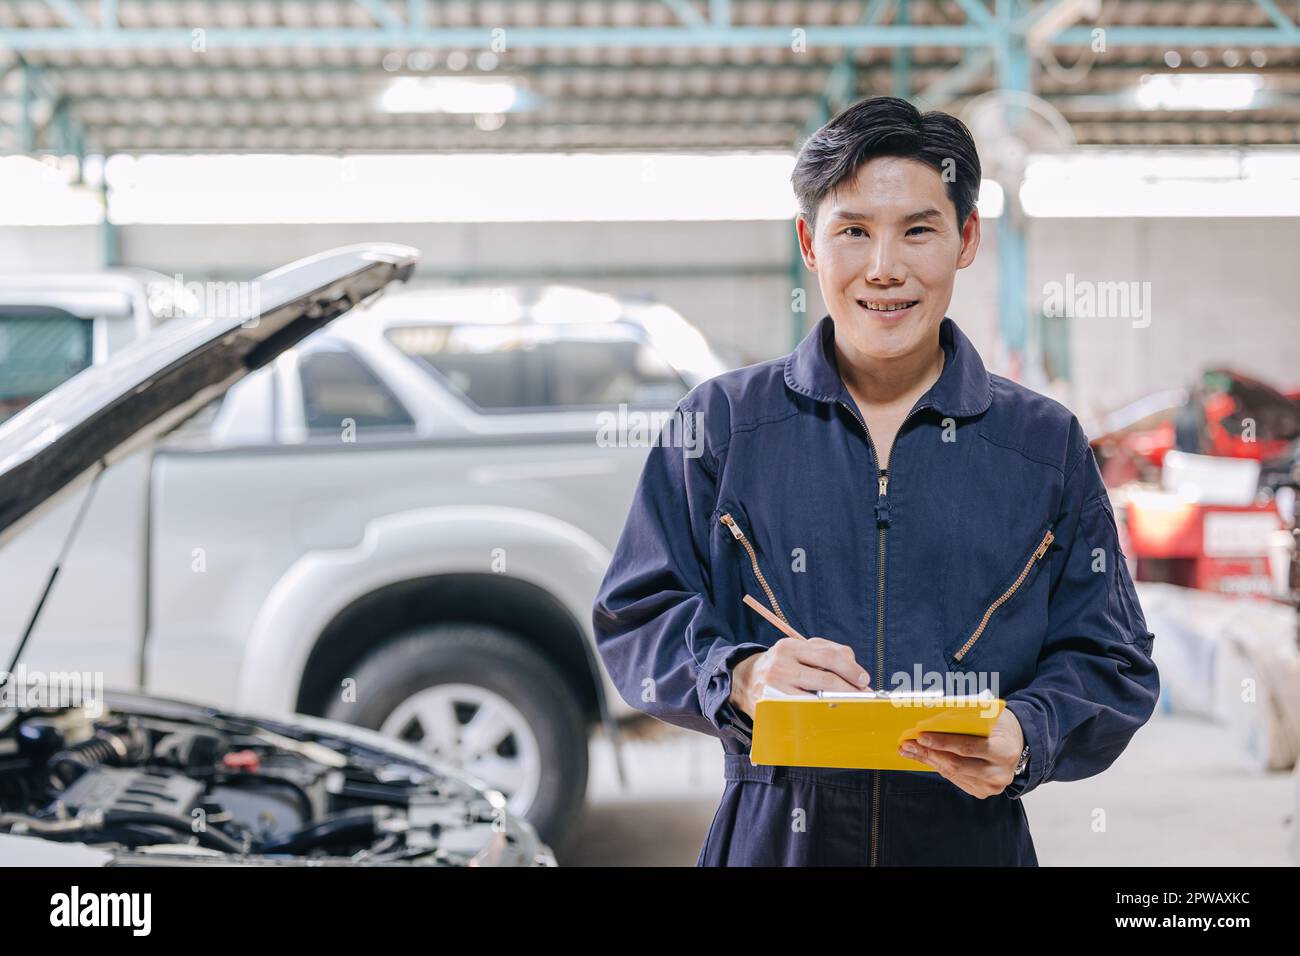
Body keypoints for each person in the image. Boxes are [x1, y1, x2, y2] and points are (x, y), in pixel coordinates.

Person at [591, 96, 1160, 866]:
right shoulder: (722, 427)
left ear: (965, 239)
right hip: (775, 837)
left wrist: (1029, 731)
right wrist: (743, 675)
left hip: (969, 842)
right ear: (809, 244)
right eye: (854, 230)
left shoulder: (1042, 444)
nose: (885, 268)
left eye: (918, 230)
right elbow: (635, 613)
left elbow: (1113, 659)